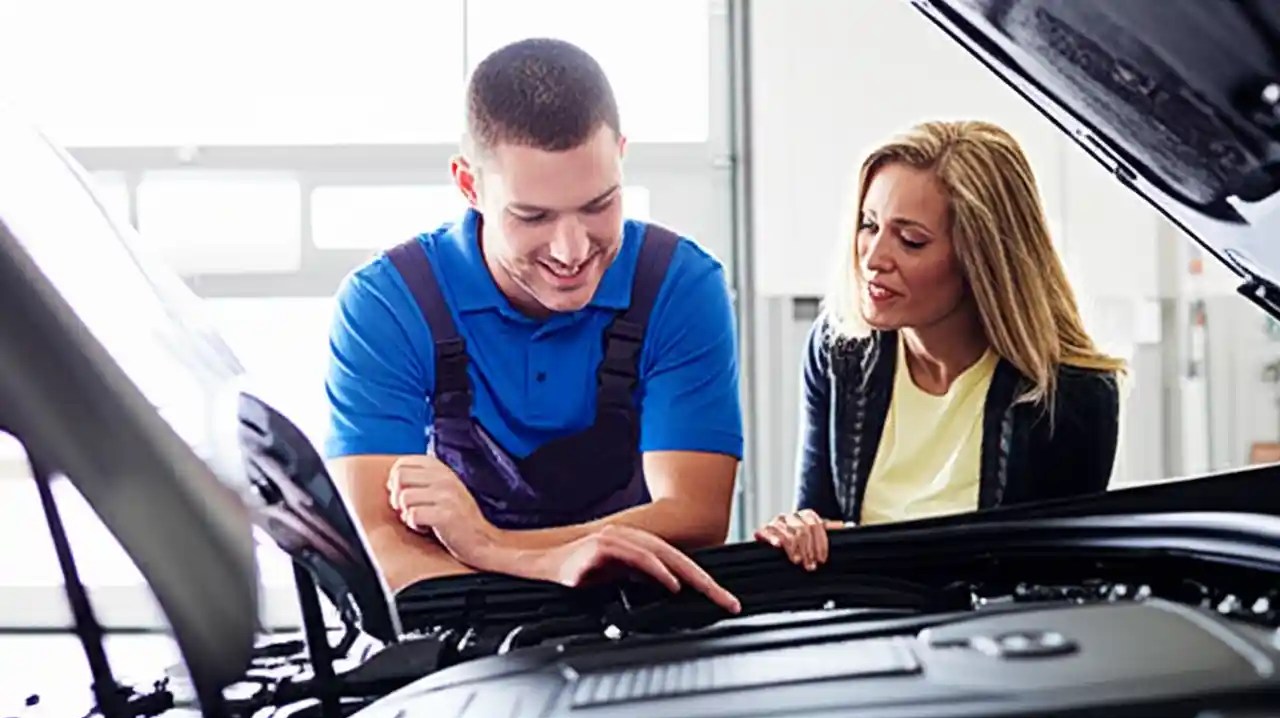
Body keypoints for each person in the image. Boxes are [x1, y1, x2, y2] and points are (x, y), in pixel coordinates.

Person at [324, 38, 742, 613]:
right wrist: (537, 564)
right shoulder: (388, 304)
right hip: (464, 629)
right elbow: (382, 550)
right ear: (470, 185)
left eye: (599, 205)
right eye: (533, 216)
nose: (571, 250)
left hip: (640, 615)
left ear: (621, 155)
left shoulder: (680, 284)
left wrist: (487, 544)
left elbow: (696, 518)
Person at [756, 120, 1125, 570]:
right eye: (868, 225)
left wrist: (866, 550)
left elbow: (1050, 578)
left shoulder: (1072, 394)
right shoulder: (839, 354)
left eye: (911, 240)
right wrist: (800, 534)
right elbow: (817, 532)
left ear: (981, 257)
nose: (873, 259)